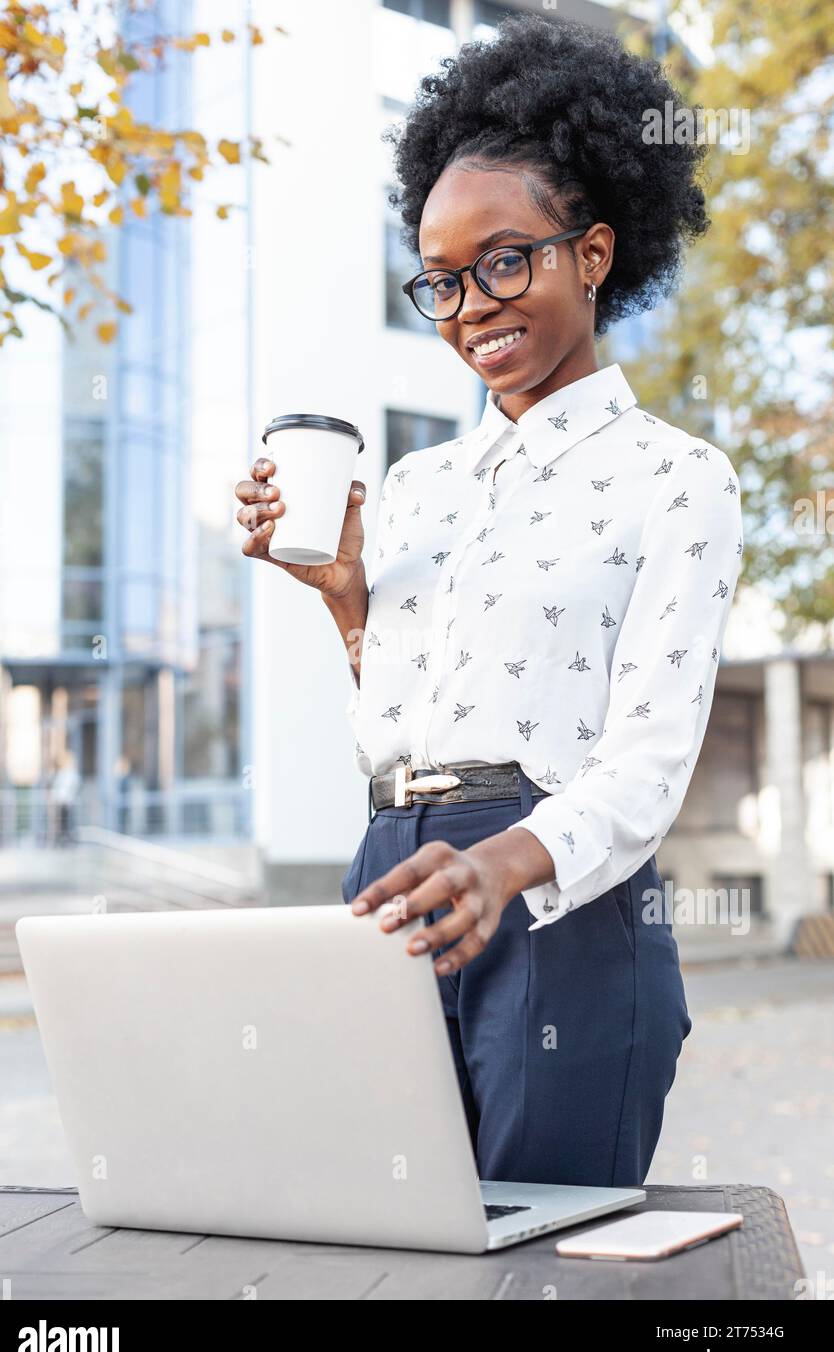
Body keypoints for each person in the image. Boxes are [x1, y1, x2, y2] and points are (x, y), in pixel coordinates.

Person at [234, 14, 743, 1187]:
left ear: (594, 252)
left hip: (556, 903)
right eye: (442, 280)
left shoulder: (675, 478)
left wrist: (505, 864)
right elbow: (406, 720)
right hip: (388, 879)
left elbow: (646, 765)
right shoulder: (412, 488)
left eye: (505, 260)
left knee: (538, 1268)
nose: (470, 307)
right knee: (382, 1246)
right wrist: (344, 598)